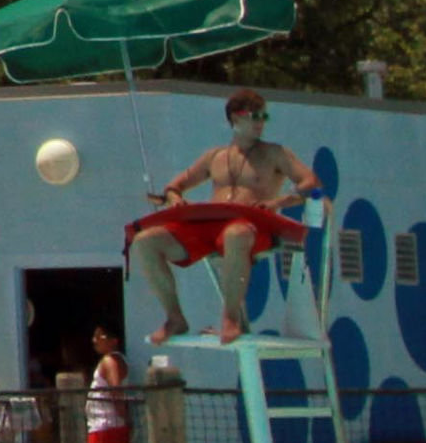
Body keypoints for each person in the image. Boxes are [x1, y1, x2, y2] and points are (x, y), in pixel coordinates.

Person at [134, 88, 322, 343]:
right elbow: (174, 186)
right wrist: (174, 198)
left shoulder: (275, 153)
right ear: (235, 118)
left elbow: (310, 181)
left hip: (253, 226)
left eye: (264, 117)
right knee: (145, 240)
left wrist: (281, 200)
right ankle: (175, 318)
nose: (260, 123)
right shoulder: (215, 157)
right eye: (254, 116)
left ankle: (231, 318)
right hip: (212, 226)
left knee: (236, 233)